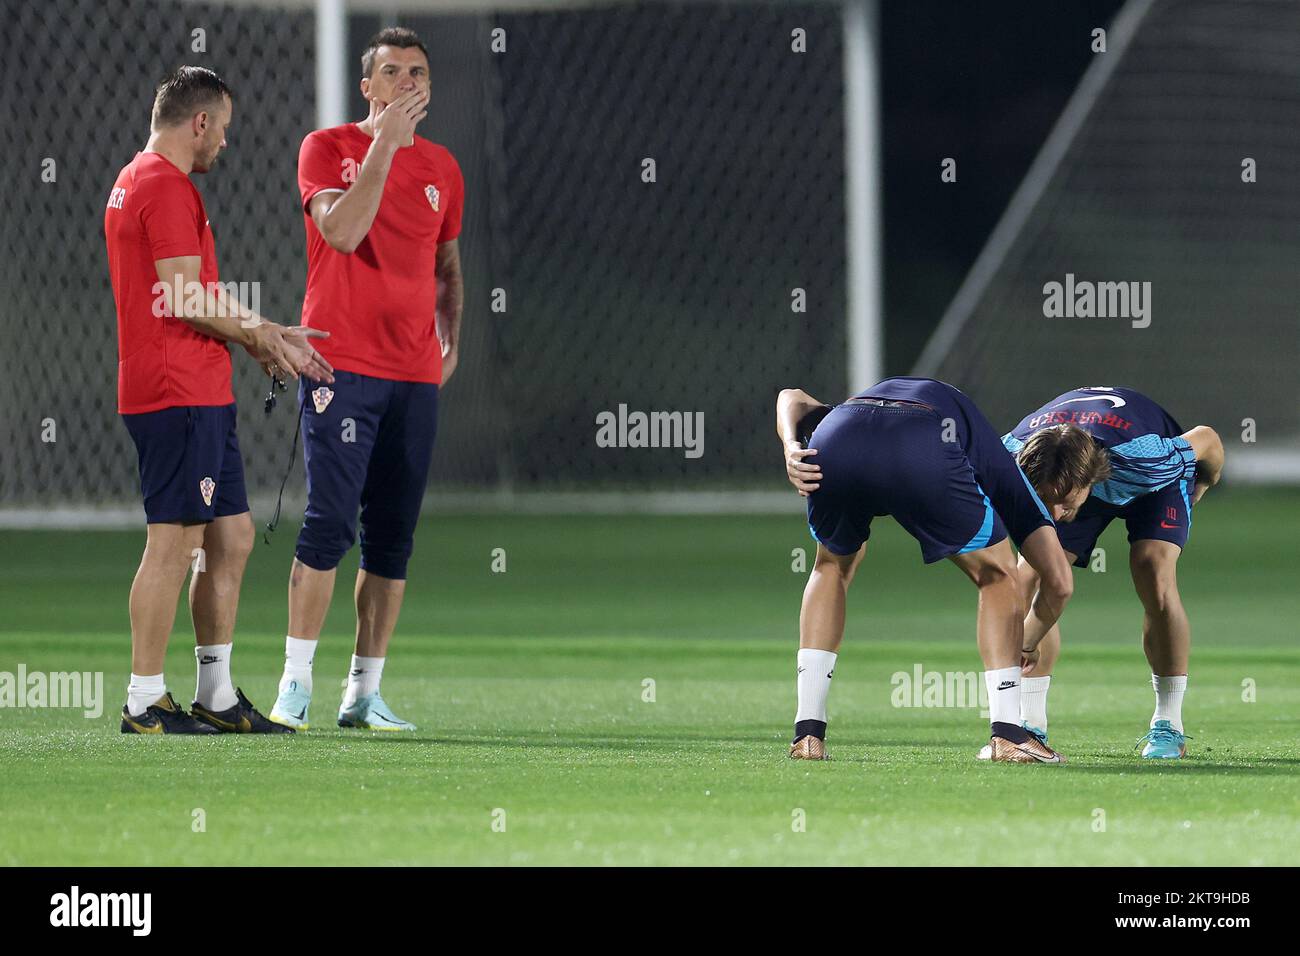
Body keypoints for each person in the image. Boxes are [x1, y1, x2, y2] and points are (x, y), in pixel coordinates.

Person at [106, 66, 332, 734]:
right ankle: (144, 699)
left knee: (230, 537)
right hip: (174, 391)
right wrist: (262, 329)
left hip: (197, 387)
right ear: (198, 122)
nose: (224, 144)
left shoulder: (138, 181)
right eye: (222, 129)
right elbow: (183, 295)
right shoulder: (162, 185)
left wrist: (258, 338)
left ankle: (217, 695)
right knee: (173, 545)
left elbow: (190, 295)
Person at [269, 28, 465, 732]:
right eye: (392, 71)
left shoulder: (445, 166)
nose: (408, 80)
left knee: (393, 536)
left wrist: (452, 337)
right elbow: (344, 234)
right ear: (369, 88)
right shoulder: (327, 149)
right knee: (327, 522)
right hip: (339, 363)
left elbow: (446, 265)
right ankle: (294, 683)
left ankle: (364, 691)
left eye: (418, 70)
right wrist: (382, 145)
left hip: (413, 374)